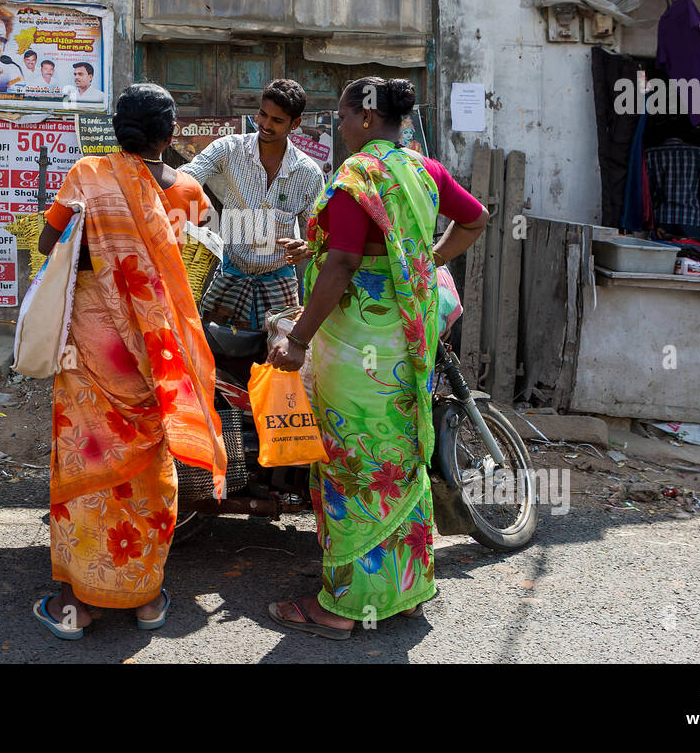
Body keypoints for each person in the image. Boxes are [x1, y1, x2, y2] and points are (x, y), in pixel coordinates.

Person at [266, 76, 489, 639]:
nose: (338, 128)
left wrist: (296, 340)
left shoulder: (358, 174)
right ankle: (404, 592)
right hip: (404, 343)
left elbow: (341, 266)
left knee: (353, 465)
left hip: (354, 349)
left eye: (341, 117)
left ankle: (342, 608)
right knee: (399, 459)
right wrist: (425, 259)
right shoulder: (423, 169)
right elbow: (476, 219)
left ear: (366, 119)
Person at [32, 83, 228, 639]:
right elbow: (200, 243)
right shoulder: (187, 190)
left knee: (88, 461)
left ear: (118, 129)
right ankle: (145, 598)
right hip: (157, 350)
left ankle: (81, 603)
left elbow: (49, 243)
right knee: (148, 465)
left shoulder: (88, 175)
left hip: (92, 347)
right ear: (169, 135)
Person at [179, 78, 325, 328]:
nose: (266, 125)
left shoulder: (309, 173)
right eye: (262, 115)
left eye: (277, 121)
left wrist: (305, 246)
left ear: (295, 124)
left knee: (277, 358)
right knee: (215, 351)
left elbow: (320, 235)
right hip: (229, 273)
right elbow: (187, 176)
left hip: (279, 282)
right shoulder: (229, 149)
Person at [645, 119, 700, 240]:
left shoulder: (651, 154)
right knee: (690, 256)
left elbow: (646, 188)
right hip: (690, 217)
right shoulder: (698, 153)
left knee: (662, 256)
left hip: (662, 216)